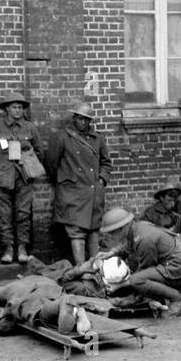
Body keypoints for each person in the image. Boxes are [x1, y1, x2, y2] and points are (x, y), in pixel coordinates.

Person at [91, 207, 181, 317]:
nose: (110, 236)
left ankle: (178, 299)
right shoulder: (137, 228)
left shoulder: (144, 240)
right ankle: (144, 297)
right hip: (175, 263)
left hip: (178, 267)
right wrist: (112, 252)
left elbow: (144, 270)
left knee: (137, 280)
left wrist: (120, 287)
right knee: (138, 278)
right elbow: (128, 244)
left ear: (122, 228)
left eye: (112, 232)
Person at [45, 101, 111, 264]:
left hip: (92, 192)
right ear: (74, 118)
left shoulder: (98, 139)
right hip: (72, 192)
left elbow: (106, 162)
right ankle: (82, 268)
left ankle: (97, 267)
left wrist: (102, 180)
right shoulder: (62, 137)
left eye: (87, 120)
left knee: (94, 230)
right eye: (80, 119)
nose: (83, 122)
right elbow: (51, 163)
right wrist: (64, 181)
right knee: (76, 231)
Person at [0, 93, 41, 264]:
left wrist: (28, 161)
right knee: (4, 214)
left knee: (23, 213)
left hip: (24, 178)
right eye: (14, 107)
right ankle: (8, 248)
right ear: (7, 108)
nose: (18, 110)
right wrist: (0, 166)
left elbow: (39, 151)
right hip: (2, 178)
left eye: (20, 107)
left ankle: (22, 247)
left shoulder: (30, 128)